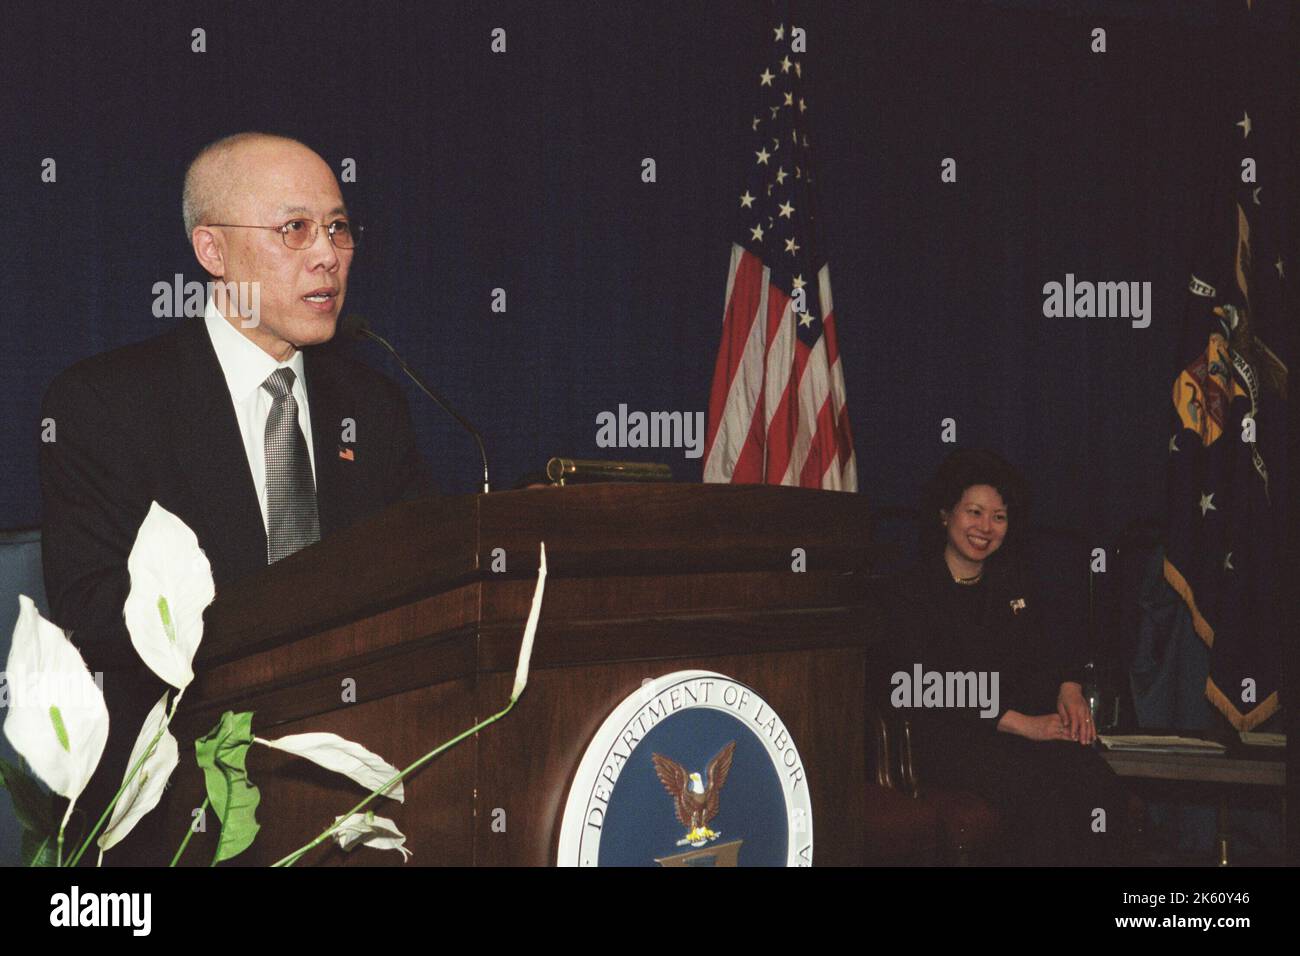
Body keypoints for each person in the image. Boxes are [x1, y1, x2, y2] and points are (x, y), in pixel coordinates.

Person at [37, 133, 437, 858]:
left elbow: (420, 580)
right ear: (213, 252)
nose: (328, 255)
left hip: (364, 787)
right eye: (295, 229)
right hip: (179, 803)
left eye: (338, 227)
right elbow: (92, 606)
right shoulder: (106, 402)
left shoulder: (374, 405)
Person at [883, 448, 1131, 865]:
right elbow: (920, 685)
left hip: (1013, 734)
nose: (985, 527)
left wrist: (1068, 687)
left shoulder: (1014, 584)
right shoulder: (910, 590)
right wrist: (1023, 724)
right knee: (1041, 797)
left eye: (998, 517)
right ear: (946, 515)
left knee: (1097, 784)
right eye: (974, 512)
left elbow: (1050, 649)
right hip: (945, 738)